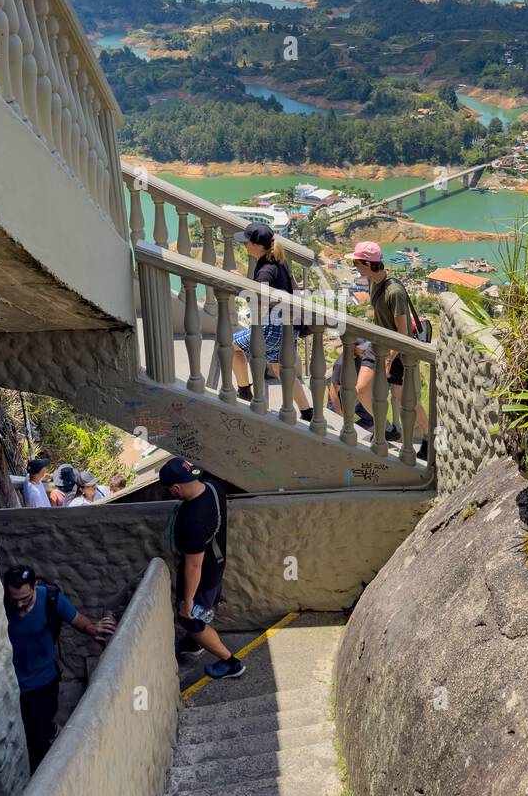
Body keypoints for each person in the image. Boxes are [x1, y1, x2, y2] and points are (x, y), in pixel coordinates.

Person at [2, 566, 116, 772]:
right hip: (13, 685)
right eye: (14, 599)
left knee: (38, 741)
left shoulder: (49, 598)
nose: (18, 604)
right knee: (23, 733)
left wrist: (92, 629)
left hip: (43, 682)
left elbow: (76, 619)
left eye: (24, 598)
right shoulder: (0, 604)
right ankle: (49, 730)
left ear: (35, 586)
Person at [160, 457, 245, 680]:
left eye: (170, 490)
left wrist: (187, 601)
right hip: (217, 567)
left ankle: (231, 663)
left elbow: (194, 565)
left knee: (190, 618)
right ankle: (193, 643)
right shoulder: (214, 488)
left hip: (203, 575)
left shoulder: (193, 521)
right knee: (201, 611)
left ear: (176, 488)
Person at [344, 240, 430, 461]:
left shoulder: (395, 291)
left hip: (399, 352)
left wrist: (390, 359)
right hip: (378, 345)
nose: (355, 267)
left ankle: (430, 439)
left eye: (357, 263)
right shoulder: (373, 282)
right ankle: (389, 428)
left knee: (406, 400)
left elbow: (402, 334)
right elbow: (380, 316)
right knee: (361, 389)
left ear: (368, 263)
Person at [231, 222, 313, 421]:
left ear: (258, 246)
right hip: (288, 326)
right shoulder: (279, 260)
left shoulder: (265, 270)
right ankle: (307, 412)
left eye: (246, 243)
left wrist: (240, 282)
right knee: (279, 368)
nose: (244, 246)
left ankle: (243, 391)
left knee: (229, 345)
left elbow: (260, 302)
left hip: (272, 328)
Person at [328, 338, 375, 430]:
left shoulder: (359, 357)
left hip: (354, 400)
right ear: (352, 346)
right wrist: (339, 412)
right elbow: (333, 392)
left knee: (371, 419)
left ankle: (356, 429)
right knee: (340, 429)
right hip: (339, 403)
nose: (365, 350)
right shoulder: (341, 364)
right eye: (362, 347)